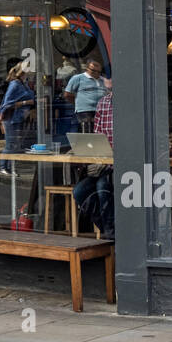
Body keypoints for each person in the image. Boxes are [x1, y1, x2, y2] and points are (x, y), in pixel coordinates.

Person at [73, 77, 115, 239]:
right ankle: (107, 228)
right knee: (79, 191)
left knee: (102, 187)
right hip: (102, 164)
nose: (109, 83)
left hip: (122, 167)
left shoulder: (129, 105)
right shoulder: (102, 103)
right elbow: (98, 138)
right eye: (108, 79)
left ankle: (112, 232)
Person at [0, 62, 35, 173]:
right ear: (23, 71)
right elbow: (7, 103)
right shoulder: (15, 84)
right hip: (10, 119)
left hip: (19, 118)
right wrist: (26, 102)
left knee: (15, 145)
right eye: (29, 68)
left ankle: (10, 167)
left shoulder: (24, 84)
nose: (31, 70)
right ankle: (3, 167)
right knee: (10, 144)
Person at [64, 59, 109, 132]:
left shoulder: (103, 80)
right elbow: (67, 94)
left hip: (101, 111)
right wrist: (78, 104)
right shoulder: (78, 78)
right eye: (93, 71)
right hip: (85, 111)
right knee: (87, 133)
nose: (96, 73)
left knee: (100, 133)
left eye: (99, 72)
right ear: (87, 68)